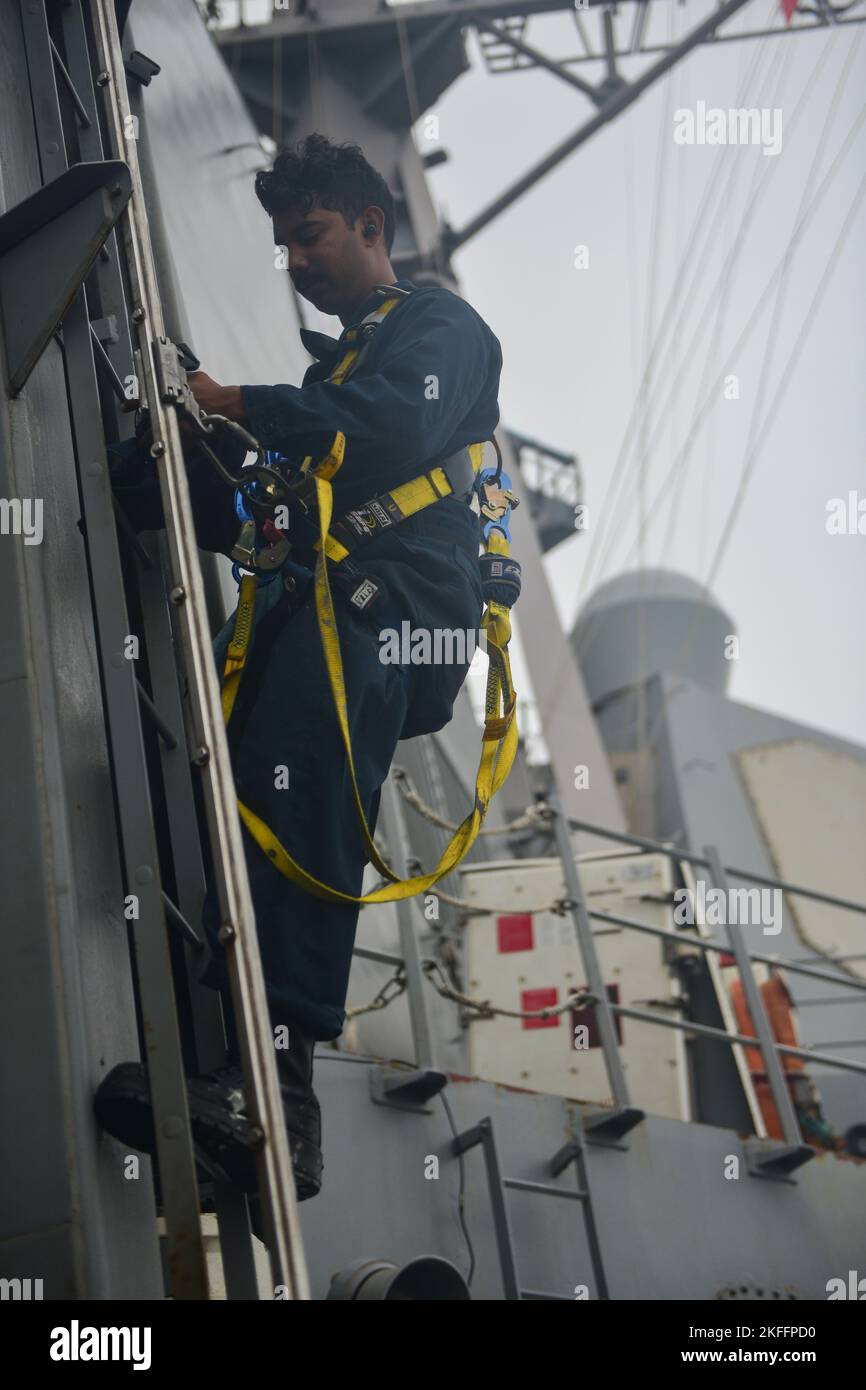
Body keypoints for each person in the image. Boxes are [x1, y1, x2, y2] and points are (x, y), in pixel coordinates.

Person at [95, 133, 503, 1209]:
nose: (296, 259)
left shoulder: (435, 329)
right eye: (281, 243)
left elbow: (385, 431)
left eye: (310, 234)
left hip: (394, 608)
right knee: (254, 805)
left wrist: (239, 406)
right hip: (327, 603)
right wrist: (171, 472)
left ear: (371, 226)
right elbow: (296, 498)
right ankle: (225, 1071)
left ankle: (281, 1091)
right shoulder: (344, 363)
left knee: (307, 791)